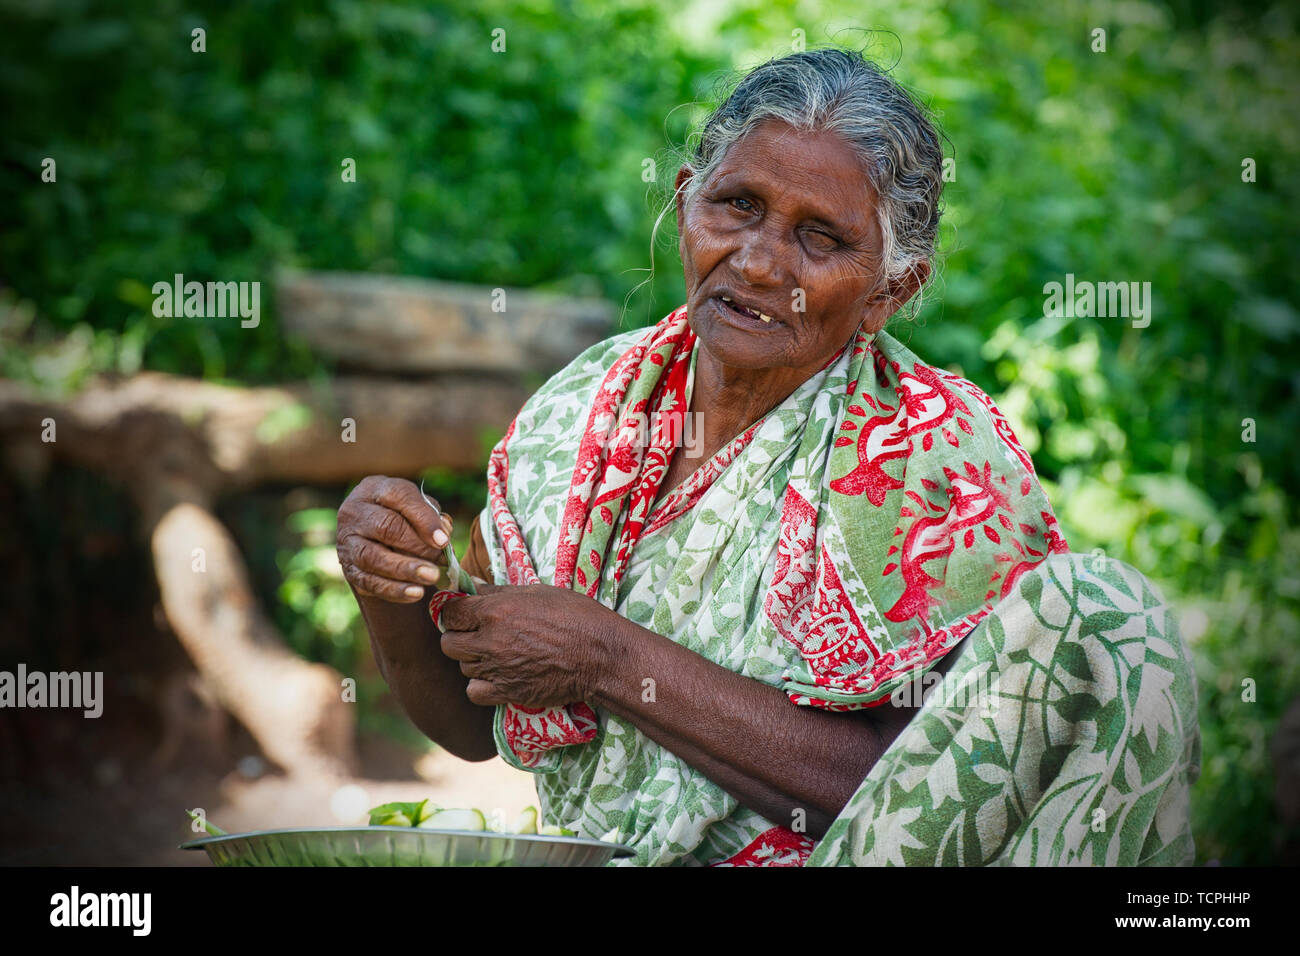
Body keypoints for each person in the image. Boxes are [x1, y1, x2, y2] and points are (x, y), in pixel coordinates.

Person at [336, 47, 1200, 866]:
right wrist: (391, 584)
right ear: (685, 204)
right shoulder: (584, 410)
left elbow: (932, 800)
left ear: (890, 292)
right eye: (738, 206)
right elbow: (468, 725)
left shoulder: (935, 456)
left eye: (821, 239)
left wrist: (612, 659)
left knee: (1103, 608)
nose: (758, 264)